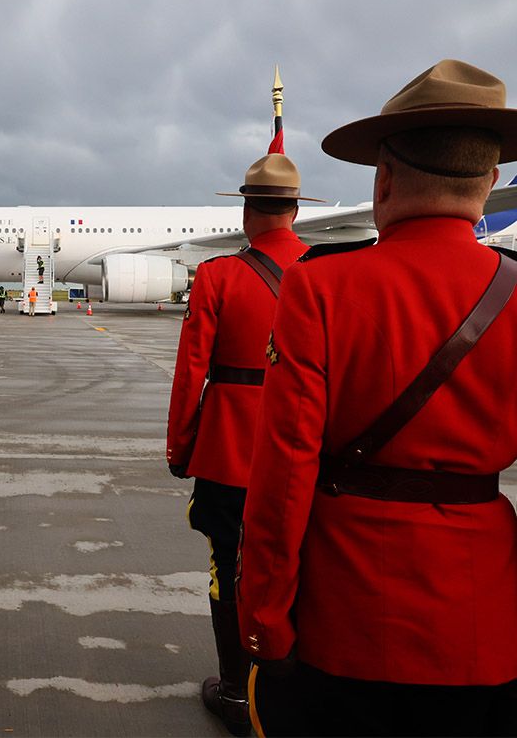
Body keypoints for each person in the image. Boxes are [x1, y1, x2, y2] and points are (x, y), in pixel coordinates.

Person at [237, 60, 517, 736]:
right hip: (484, 624)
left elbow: (284, 474)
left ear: (383, 179)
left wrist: (265, 621)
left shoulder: (320, 288)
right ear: (489, 183)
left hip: (347, 619)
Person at [166, 153, 317, 736]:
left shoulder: (218, 276)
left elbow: (190, 375)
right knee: (302, 567)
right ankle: (292, 689)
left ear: (247, 211)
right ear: (296, 210)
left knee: (228, 569)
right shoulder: (329, 271)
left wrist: (182, 449)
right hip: (308, 450)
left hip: (231, 452)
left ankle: (235, 692)